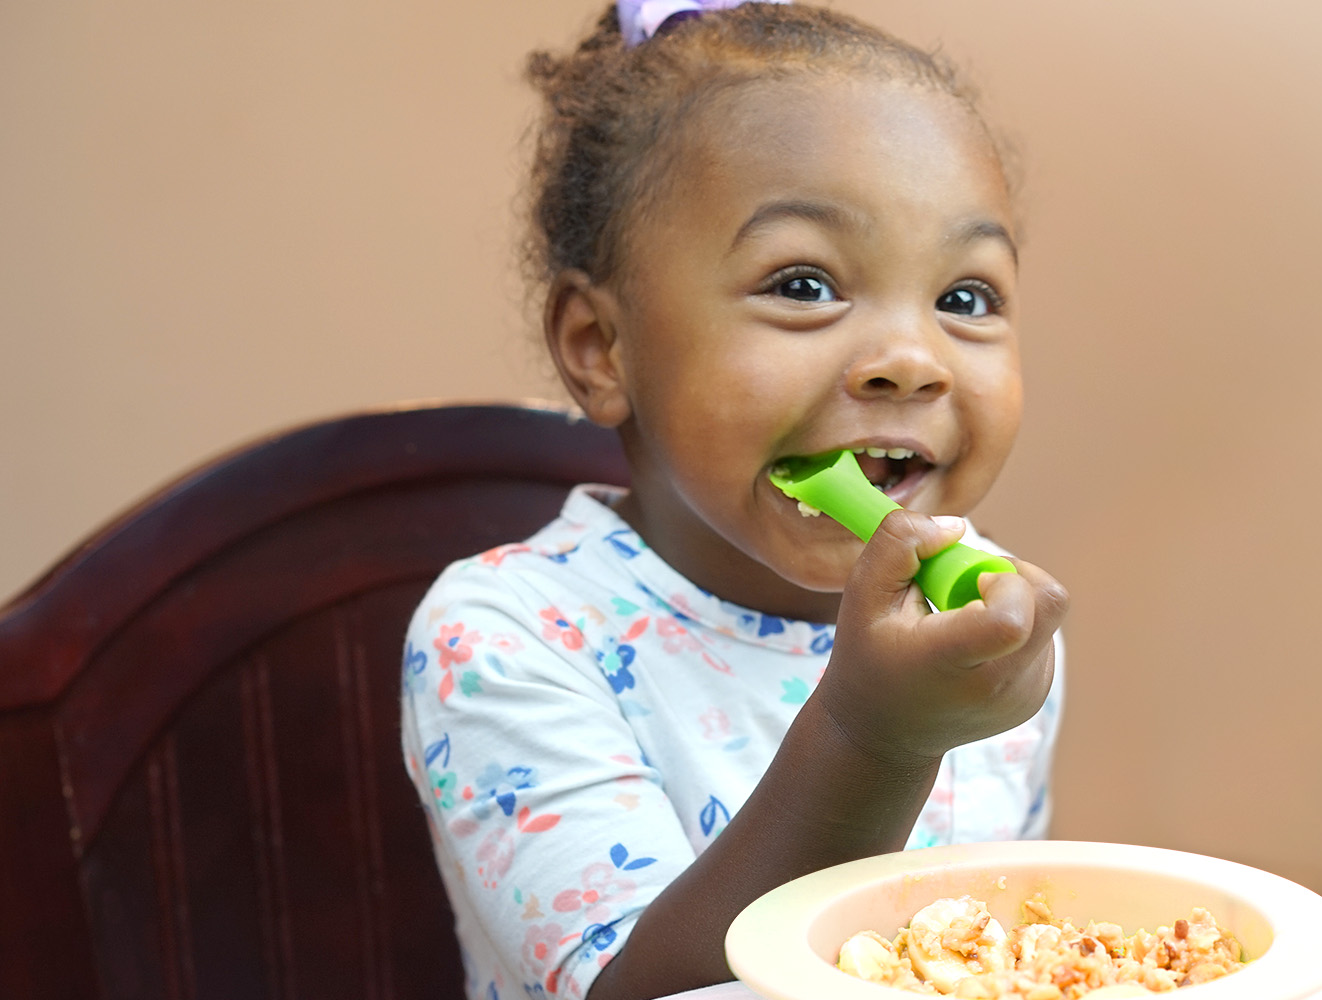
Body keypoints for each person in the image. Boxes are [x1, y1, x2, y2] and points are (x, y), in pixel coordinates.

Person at [399, 2, 1069, 997]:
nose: (908, 360)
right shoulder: (506, 638)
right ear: (601, 348)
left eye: (964, 299)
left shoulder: (983, 628)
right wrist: (873, 737)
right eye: (802, 284)